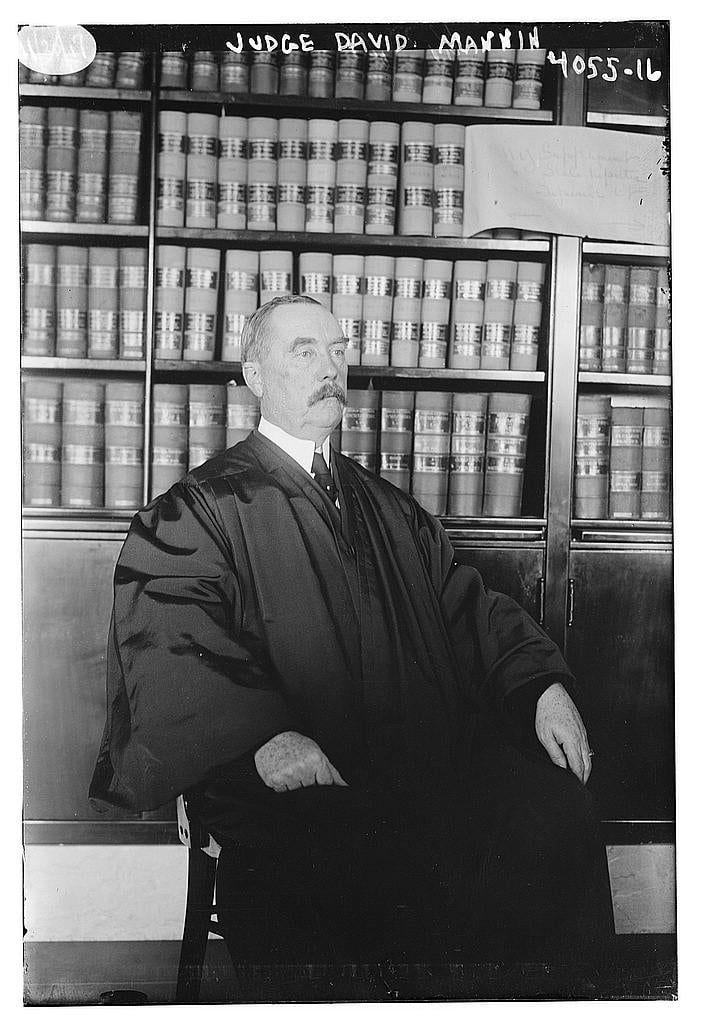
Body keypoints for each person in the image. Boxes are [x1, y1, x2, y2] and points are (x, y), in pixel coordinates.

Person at [90, 296, 613, 986]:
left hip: (405, 756)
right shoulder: (200, 509)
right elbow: (171, 644)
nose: (329, 368)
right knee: (340, 849)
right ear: (255, 374)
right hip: (275, 770)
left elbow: (464, 607)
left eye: (337, 351)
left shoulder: (387, 507)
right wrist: (262, 737)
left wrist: (538, 685)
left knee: (551, 811)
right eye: (304, 351)